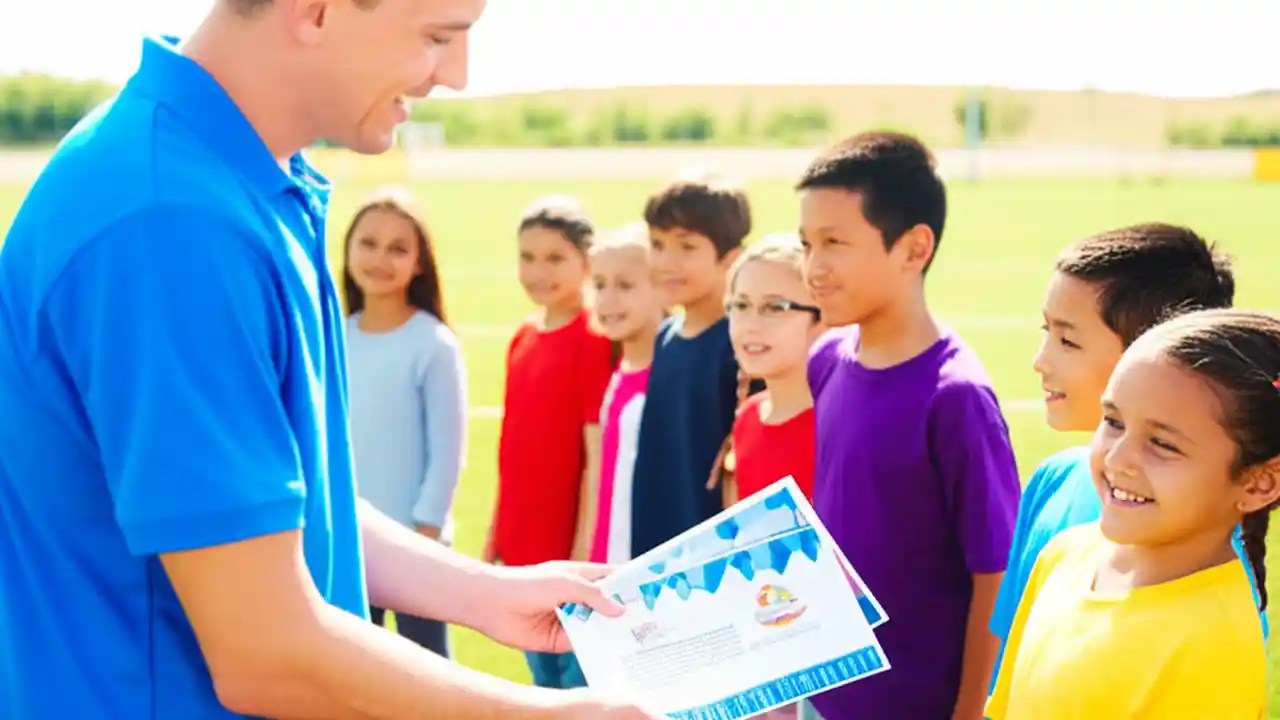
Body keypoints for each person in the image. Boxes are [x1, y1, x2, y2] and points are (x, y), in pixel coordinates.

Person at [0, 1, 660, 718]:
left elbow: (278, 507)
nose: (460, 75)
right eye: (439, 36)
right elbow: (265, 653)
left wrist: (482, 593)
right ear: (315, 10)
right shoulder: (170, 222)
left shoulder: (243, 176)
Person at [798, 131, 1020, 720]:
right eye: (806, 244)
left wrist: (970, 712)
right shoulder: (825, 359)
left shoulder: (957, 398)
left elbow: (995, 577)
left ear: (914, 248)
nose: (813, 268)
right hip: (822, 694)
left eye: (835, 243)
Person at [987, 223, 1265, 682]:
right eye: (1046, 331)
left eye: (1068, 340)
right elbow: (1008, 656)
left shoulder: (1199, 555)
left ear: (1153, 359)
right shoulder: (1053, 480)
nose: (1040, 359)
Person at [486, 195, 615, 690]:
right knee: (541, 680)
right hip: (522, 546)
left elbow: (593, 456)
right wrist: (498, 531)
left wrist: (583, 548)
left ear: (587, 263)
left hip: (566, 550)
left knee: (576, 682)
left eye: (555, 258)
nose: (538, 271)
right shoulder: (522, 337)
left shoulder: (592, 337)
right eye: (528, 257)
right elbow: (510, 447)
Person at [342, 186, 465, 658]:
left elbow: (447, 452)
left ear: (419, 263)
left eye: (398, 248)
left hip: (415, 544)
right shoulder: (336, 335)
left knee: (428, 672)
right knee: (356, 672)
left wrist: (426, 537)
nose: (380, 258)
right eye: (369, 244)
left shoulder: (432, 344)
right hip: (352, 542)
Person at [629, 170, 753, 557]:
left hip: (714, 559)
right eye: (657, 244)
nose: (666, 261)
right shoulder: (666, 336)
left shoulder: (741, 348)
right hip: (657, 552)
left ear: (731, 258)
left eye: (687, 247)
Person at [716, 233, 823, 507]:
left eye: (775, 307)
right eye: (740, 305)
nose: (750, 325)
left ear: (823, 318)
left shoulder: (837, 428)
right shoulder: (748, 417)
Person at [586, 224, 665, 565]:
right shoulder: (620, 370)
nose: (607, 300)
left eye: (625, 285)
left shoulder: (666, 378)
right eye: (599, 285)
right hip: (610, 566)